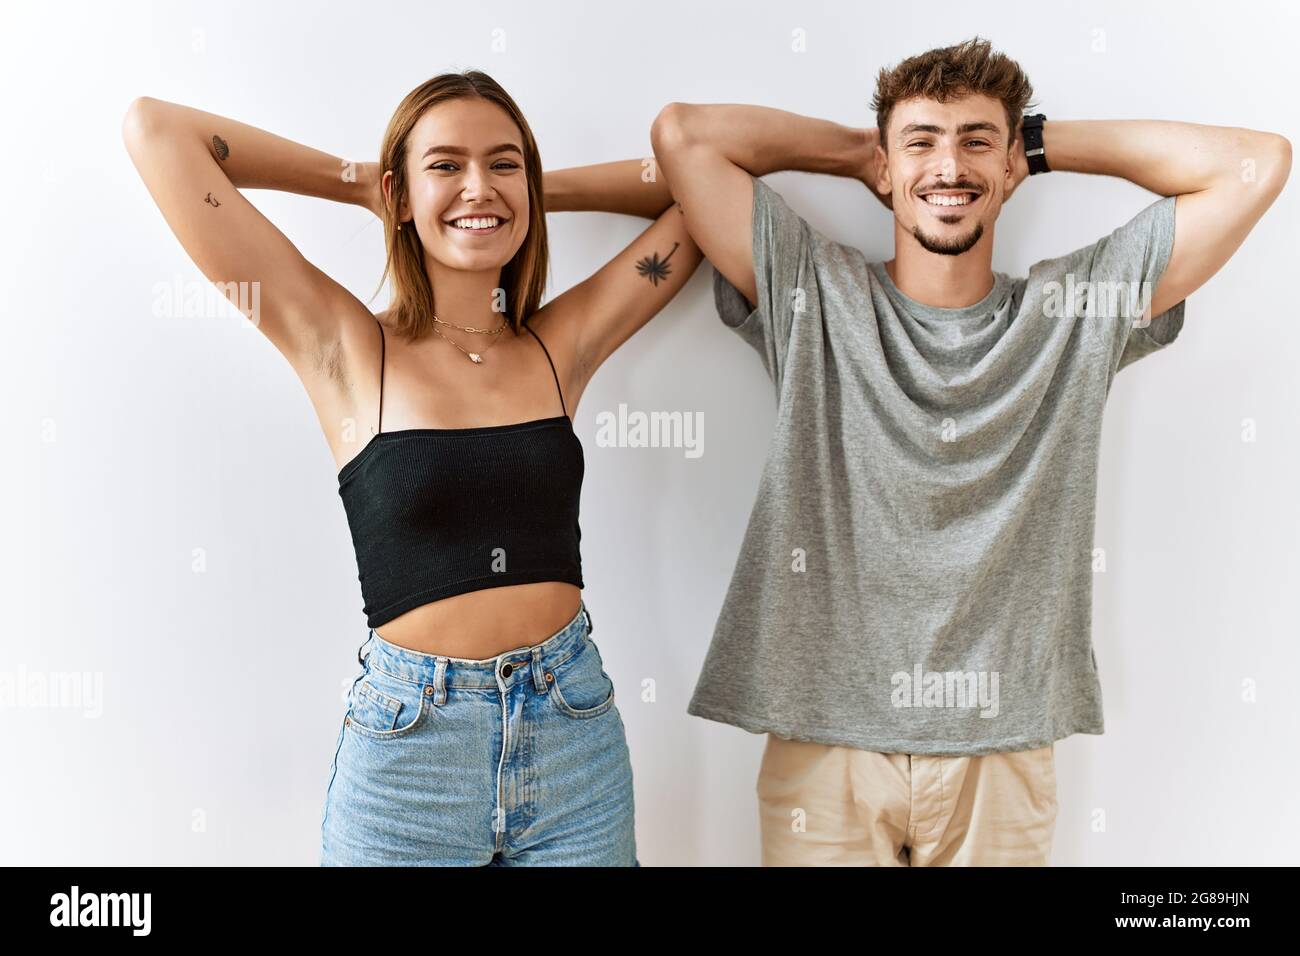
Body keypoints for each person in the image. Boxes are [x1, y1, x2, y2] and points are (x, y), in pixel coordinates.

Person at [651, 36, 1290, 866]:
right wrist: (865, 153)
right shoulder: (814, 288)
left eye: (977, 142)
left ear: (1011, 165)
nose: (949, 167)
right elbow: (683, 136)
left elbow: (1256, 163)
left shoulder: (1075, 310)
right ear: (887, 165)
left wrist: (1037, 141)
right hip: (825, 744)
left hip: (1003, 745)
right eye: (924, 142)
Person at [121, 70, 701, 866]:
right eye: (445, 165)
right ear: (400, 194)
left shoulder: (556, 346)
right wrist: (361, 181)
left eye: (503, 162)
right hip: (410, 756)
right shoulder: (346, 348)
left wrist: (522, 193)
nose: (477, 184)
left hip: (573, 736)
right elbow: (157, 131)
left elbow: (701, 183)